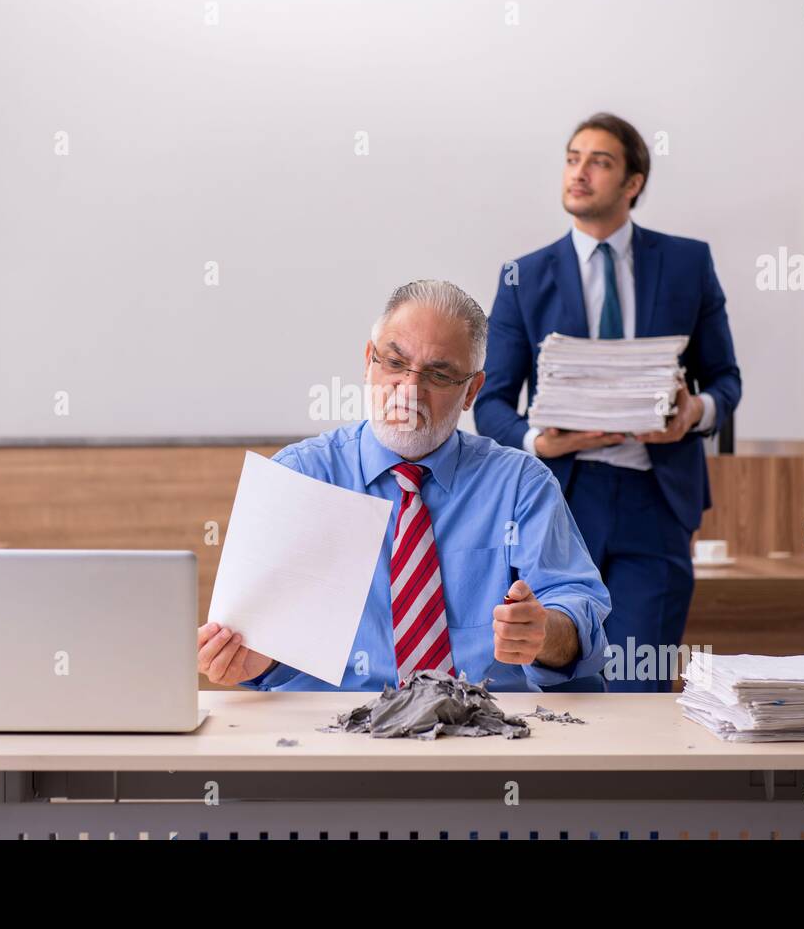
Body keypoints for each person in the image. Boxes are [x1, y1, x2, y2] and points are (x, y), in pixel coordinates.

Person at [198, 280, 611, 691]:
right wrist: (252, 663)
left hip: (482, 735)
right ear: (367, 362)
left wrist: (544, 634)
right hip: (332, 737)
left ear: (472, 391)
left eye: (438, 375)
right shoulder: (300, 477)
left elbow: (579, 620)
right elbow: (260, 652)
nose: (410, 390)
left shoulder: (521, 484)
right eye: (395, 363)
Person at [474, 113, 742, 692]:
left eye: (600, 161)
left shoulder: (688, 264)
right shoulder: (524, 275)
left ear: (633, 182)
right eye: (573, 158)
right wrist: (538, 442)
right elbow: (490, 404)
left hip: (657, 500)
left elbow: (725, 381)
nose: (580, 172)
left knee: (636, 685)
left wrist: (695, 414)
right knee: (553, 678)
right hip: (559, 501)